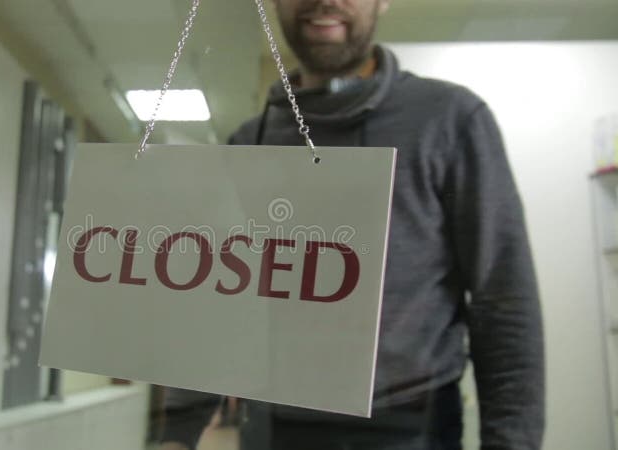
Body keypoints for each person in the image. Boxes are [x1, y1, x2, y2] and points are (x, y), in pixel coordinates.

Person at [159, 0, 545, 449]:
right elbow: (218, 304)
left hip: (411, 430)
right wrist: (178, 433)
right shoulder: (248, 144)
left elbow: (504, 301)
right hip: (272, 429)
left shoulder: (450, 120)